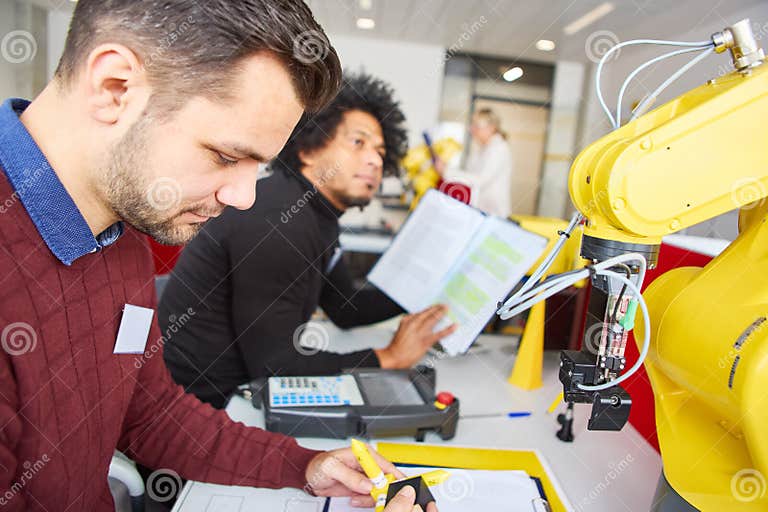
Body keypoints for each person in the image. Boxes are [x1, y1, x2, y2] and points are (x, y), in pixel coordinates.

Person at [0, 1, 411, 509]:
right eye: (226, 156)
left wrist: (305, 466)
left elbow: (149, 415)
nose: (245, 198)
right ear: (115, 88)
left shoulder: (122, 230)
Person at [159, 73, 456, 408]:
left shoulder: (314, 215)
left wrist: (422, 288)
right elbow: (277, 366)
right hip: (203, 409)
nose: (375, 160)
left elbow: (345, 308)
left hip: (235, 395)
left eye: (380, 151)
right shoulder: (282, 220)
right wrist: (388, 357)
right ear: (309, 149)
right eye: (358, 143)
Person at [465, 108, 514, 217]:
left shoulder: (499, 149)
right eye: (472, 125)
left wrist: (447, 171)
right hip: (480, 211)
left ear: (492, 128)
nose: (471, 129)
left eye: (477, 125)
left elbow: (480, 180)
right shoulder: (481, 149)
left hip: (495, 214)